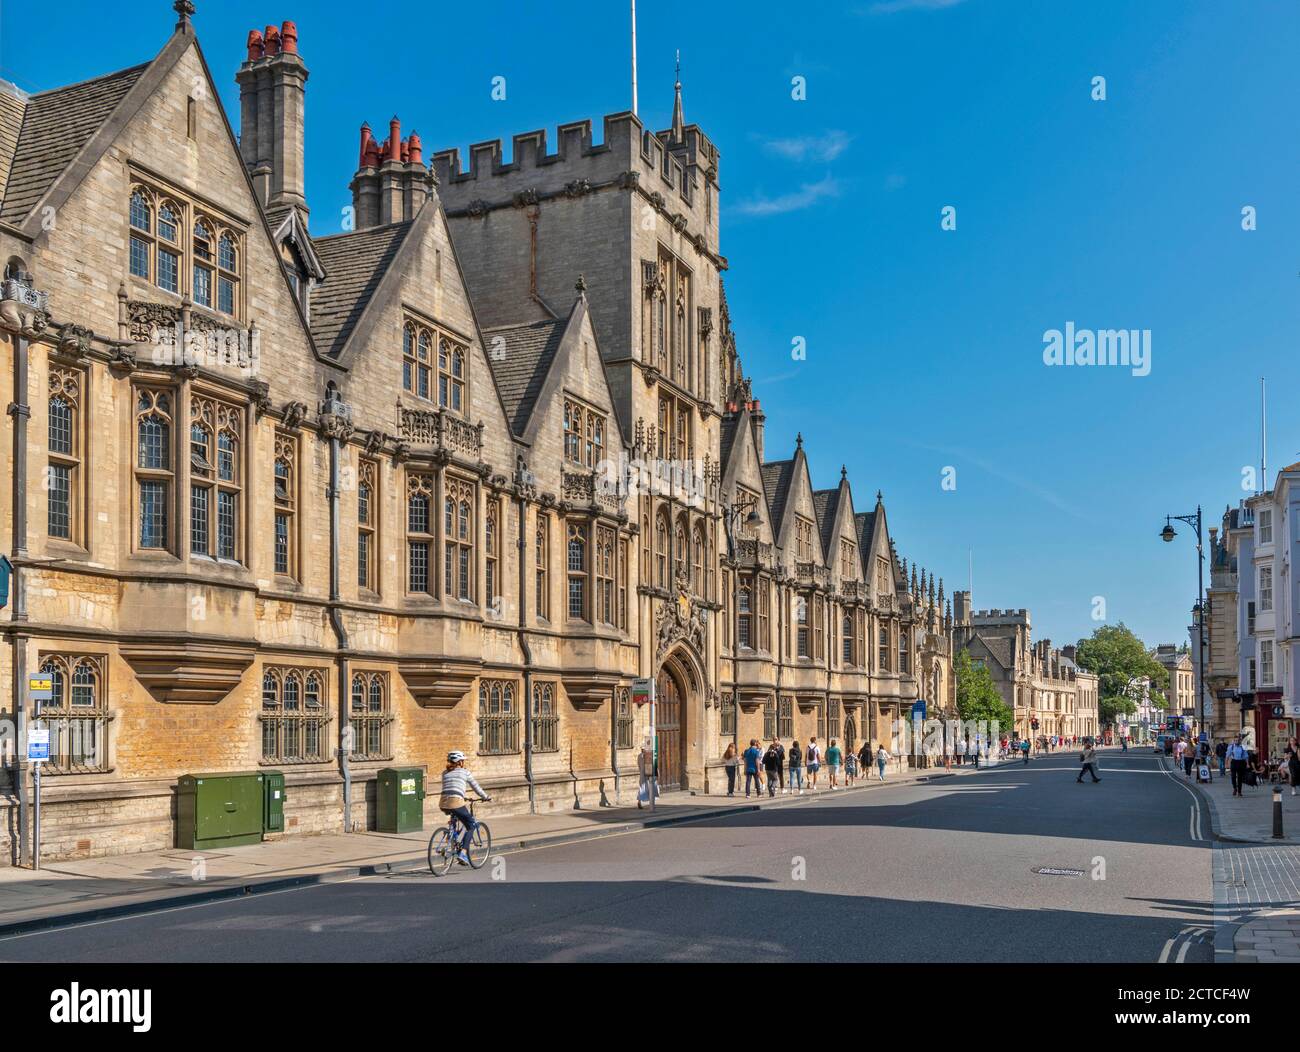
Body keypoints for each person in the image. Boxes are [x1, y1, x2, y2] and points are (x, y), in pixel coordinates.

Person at [438, 750, 492, 865]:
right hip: (456, 801)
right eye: (462, 761)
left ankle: (451, 840)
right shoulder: (464, 772)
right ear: (460, 762)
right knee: (471, 825)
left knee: (456, 818)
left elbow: (451, 787)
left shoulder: (444, 773)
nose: (463, 763)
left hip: (443, 802)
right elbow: (476, 787)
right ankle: (463, 852)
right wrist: (485, 796)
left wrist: (463, 796)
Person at [637, 741, 658, 809]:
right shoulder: (647, 755)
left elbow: (639, 765)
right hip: (648, 773)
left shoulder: (639, 756)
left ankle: (640, 801)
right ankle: (651, 804)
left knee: (642, 787)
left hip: (642, 773)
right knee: (649, 787)